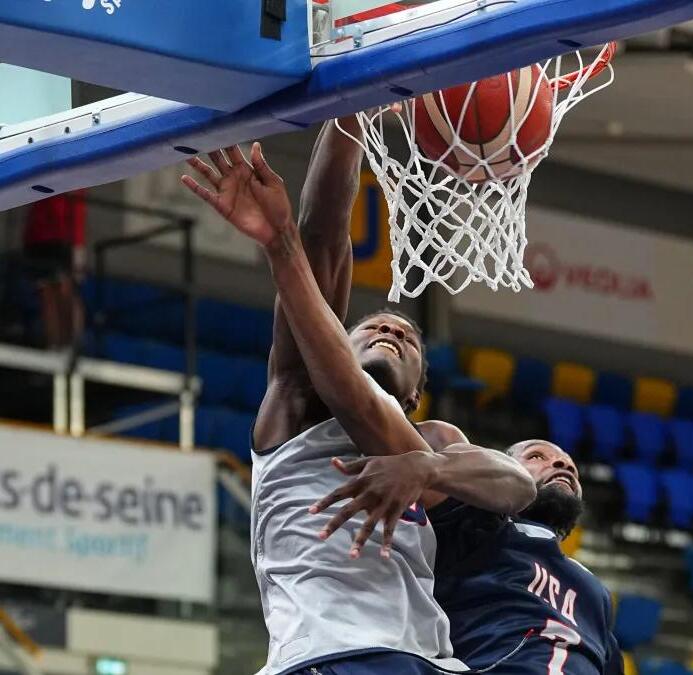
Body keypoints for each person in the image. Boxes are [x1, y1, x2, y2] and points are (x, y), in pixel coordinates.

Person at [180, 126, 536, 675]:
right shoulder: (298, 398)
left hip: (428, 659)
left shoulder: (430, 441)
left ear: (415, 394)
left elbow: (518, 485)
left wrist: (426, 468)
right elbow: (322, 233)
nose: (391, 330)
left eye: (408, 338)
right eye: (370, 328)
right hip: (332, 653)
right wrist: (352, 112)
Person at [318, 439, 623, 674]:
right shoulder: (474, 521)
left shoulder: (595, 592)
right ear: (503, 472)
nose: (562, 464)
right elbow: (399, 443)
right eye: (536, 456)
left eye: (571, 468)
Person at [22, 189, 86, 349]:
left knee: (65, 290)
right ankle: (54, 344)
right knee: (46, 293)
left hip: (62, 238)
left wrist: (78, 246)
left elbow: (78, 209)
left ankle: (71, 345)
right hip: (38, 237)